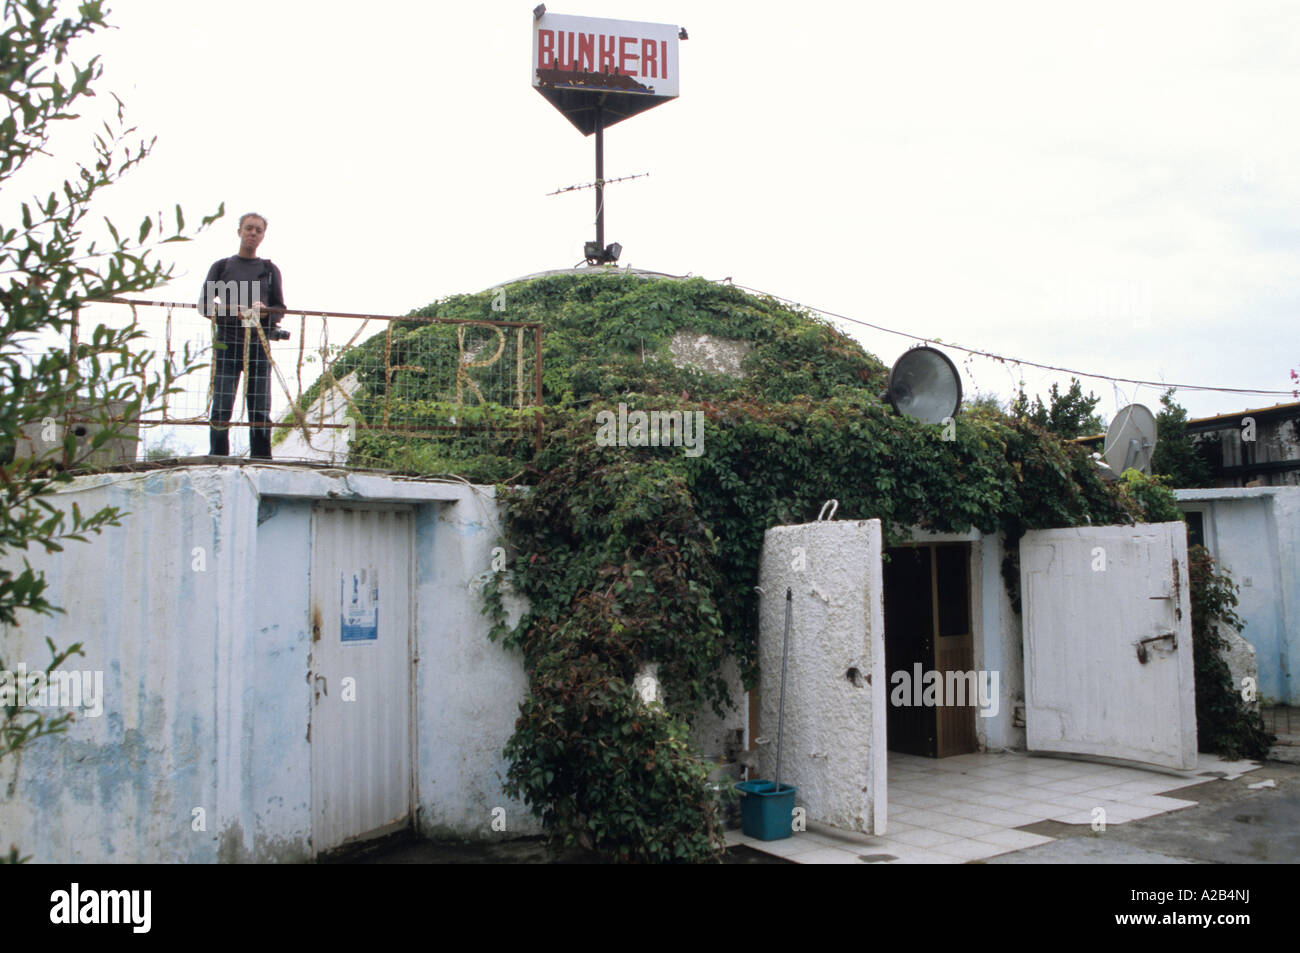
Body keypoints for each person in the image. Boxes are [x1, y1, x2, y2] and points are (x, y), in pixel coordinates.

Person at [199, 212, 287, 459]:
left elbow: (280, 309)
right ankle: (218, 457)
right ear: (239, 231)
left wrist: (265, 311)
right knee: (222, 405)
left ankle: (261, 458)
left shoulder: (269, 270)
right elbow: (204, 305)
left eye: (258, 230)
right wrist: (231, 312)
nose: (253, 234)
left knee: (260, 407)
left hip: (259, 345)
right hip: (227, 344)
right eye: (249, 228)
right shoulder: (221, 267)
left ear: (263, 236)